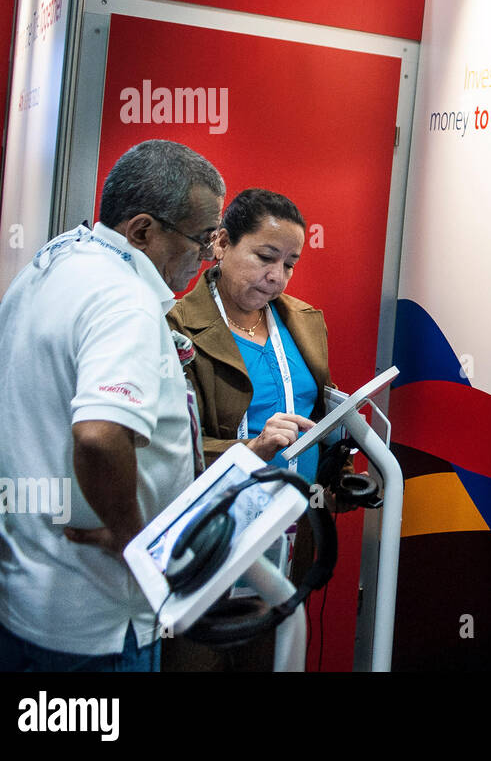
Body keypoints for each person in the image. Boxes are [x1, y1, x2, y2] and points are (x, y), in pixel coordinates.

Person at [0, 139, 224, 671]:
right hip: (94, 620)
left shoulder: (53, 259)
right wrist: (135, 539)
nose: (205, 258)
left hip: (19, 588)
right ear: (142, 230)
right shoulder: (123, 300)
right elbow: (99, 434)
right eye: (200, 240)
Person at [163, 188, 330, 671]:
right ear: (220, 243)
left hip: (291, 525)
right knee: (196, 658)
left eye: (290, 264)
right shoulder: (175, 325)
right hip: (211, 527)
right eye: (264, 256)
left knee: (266, 654)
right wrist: (252, 447)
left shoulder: (303, 321)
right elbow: (172, 446)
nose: (276, 275)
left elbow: (313, 406)